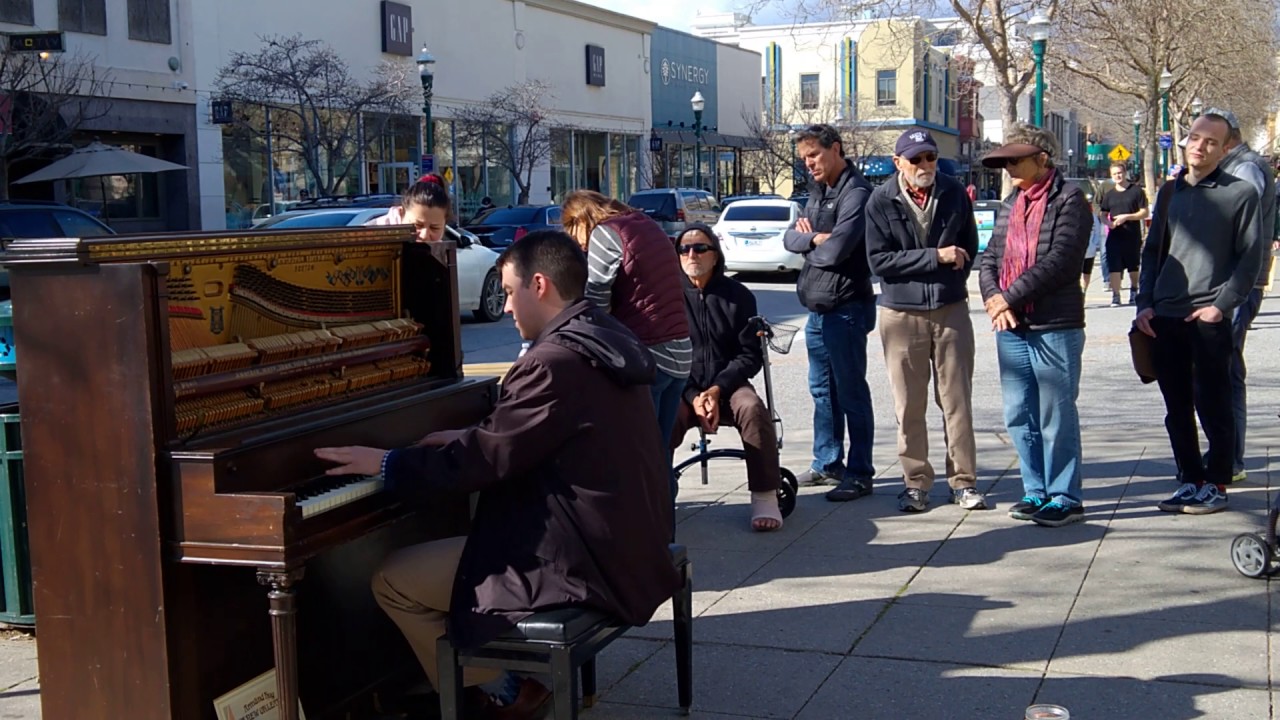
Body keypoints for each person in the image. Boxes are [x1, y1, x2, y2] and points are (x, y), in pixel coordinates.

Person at [313, 230, 680, 720]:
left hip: (577, 559)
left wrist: (384, 463)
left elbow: (482, 461)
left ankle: (507, 692)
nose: (505, 307)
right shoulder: (601, 336)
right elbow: (524, 437)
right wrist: (472, 437)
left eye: (509, 291)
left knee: (392, 579)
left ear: (540, 285)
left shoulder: (553, 362)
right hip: (619, 541)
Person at [1137, 113, 1266, 515]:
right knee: (1176, 408)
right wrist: (1144, 304)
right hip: (1165, 316)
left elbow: (1251, 258)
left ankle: (1217, 483)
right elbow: (1153, 250)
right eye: (1194, 138)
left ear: (1226, 148)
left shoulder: (1240, 194)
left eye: (1211, 141)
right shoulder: (1170, 192)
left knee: (1215, 403)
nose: (1200, 146)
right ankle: (1190, 479)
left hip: (1208, 316)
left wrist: (1221, 306)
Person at [978, 123, 1091, 527]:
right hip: (1011, 326)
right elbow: (990, 257)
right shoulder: (1010, 204)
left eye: (1016, 159)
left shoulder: (1071, 200)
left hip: (1054, 324)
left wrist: (1008, 297)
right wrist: (994, 298)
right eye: (1006, 160)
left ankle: (1064, 495)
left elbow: (1060, 262)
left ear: (1042, 158)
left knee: (1055, 413)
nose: (1009, 167)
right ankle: (1035, 490)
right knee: (1018, 412)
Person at [866, 129, 985, 514]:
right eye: (915, 159)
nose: (925, 166)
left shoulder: (953, 192)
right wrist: (936, 258)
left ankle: (963, 482)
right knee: (909, 405)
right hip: (900, 313)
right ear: (897, 162)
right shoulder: (881, 200)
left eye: (930, 157)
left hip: (950, 309)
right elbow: (879, 262)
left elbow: (968, 248)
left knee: (957, 401)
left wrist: (951, 278)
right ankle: (915, 482)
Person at [560, 190, 692, 478]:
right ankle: (663, 519)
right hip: (679, 353)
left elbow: (597, 301)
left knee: (639, 457)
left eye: (573, 228)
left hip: (648, 355)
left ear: (584, 218)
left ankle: (645, 522)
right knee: (659, 455)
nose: (577, 241)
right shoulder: (645, 224)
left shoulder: (606, 234)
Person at [782, 124, 878, 503]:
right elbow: (790, 237)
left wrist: (815, 241)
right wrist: (814, 238)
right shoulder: (818, 192)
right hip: (817, 310)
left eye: (815, 156)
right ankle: (827, 462)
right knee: (822, 391)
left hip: (847, 307)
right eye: (804, 158)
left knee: (851, 391)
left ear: (835, 149)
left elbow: (836, 253)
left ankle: (859, 472)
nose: (809, 165)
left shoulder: (856, 194)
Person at [669, 223, 783, 531]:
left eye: (700, 248)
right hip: (682, 386)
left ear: (716, 255)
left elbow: (749, 354)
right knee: (662, 416)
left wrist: (718, 389)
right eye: (684, 249)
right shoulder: (668, 297)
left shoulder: (739, 296)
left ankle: (764, 494)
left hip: (728, 384)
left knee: (752, 408)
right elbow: (664, 352)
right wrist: (694, 396)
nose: (691, 254)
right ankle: (656, 494)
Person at [1203, 107, 1276, 484]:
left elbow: (1235, 221)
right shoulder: (1238, 165)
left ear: (1225, 139)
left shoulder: (1245, 168)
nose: (1200, 146)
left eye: (1208, 139)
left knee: (1225, 369)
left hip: (1237, 284)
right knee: (1220, 368)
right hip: (1230, 280)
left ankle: (1229, 457)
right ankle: (1225, 452)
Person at [1098, 162, 1149, 307]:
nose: (1117, 176)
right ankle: (1116, 295)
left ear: (1125, 173)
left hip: (1131, 235)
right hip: (1114, 235)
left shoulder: (1136, 191)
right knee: (1114, 266)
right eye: (1114, 174)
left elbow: (1144, 212)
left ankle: (1134, 290)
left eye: (1119, 173)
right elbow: (1103, 214)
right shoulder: (1109, 195)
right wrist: (1108, 223)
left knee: (1133, 266)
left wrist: (1127, 217)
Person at [367, 173, 451, 242]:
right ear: (401, 213)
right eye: (417, 225)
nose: (424, 235)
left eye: (434, 228)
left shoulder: (441, 253)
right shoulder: (367, 236)